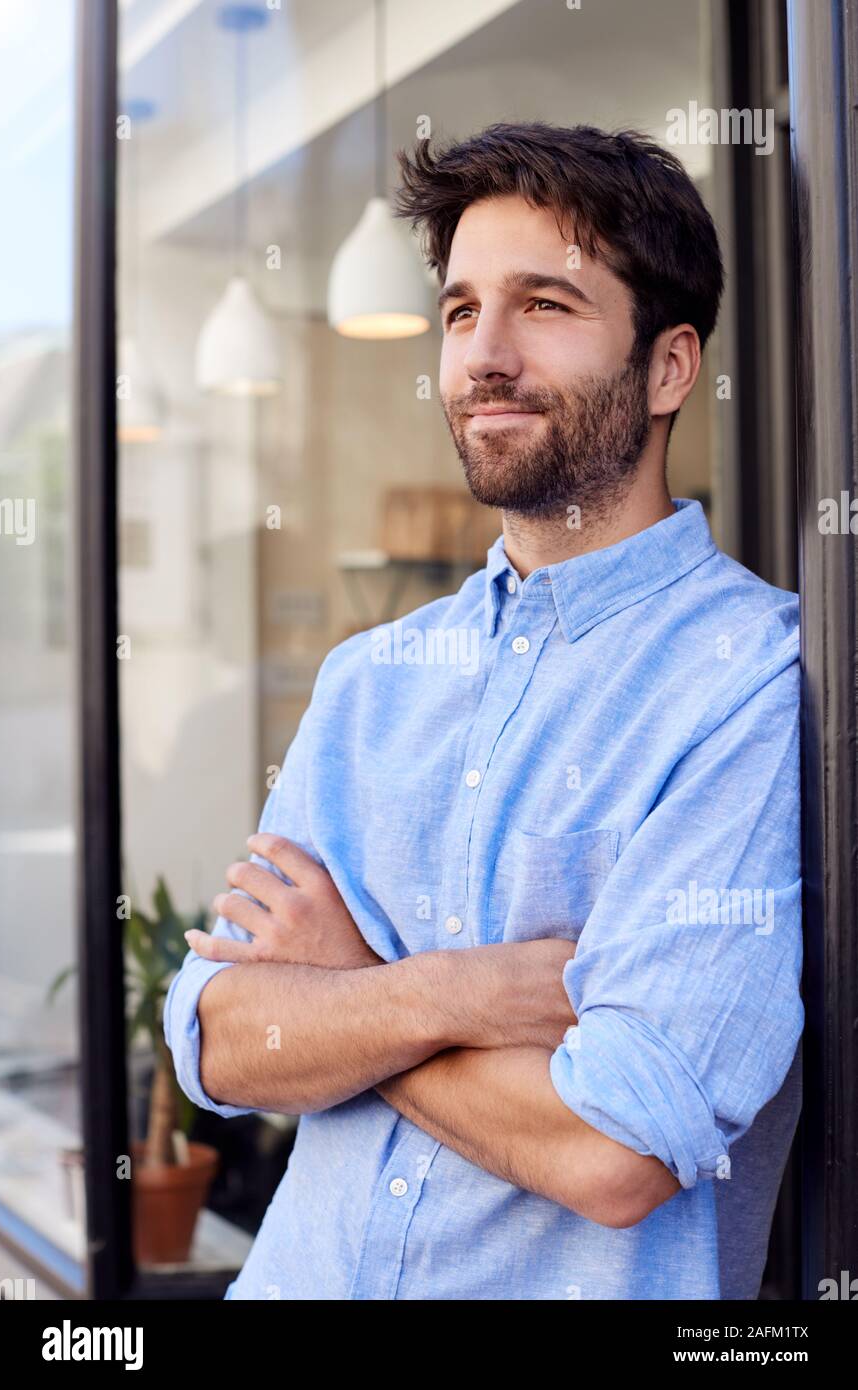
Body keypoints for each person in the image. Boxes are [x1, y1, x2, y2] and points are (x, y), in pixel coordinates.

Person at [165, 122, 803, 1300]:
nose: (482, 356)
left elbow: (617, 1147)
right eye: (459, 311)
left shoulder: (752, 681)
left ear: (668, 367)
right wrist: (453, 994)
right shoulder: (373, 678)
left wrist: (346, 993)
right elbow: (216, 1036)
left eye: (544, 305)